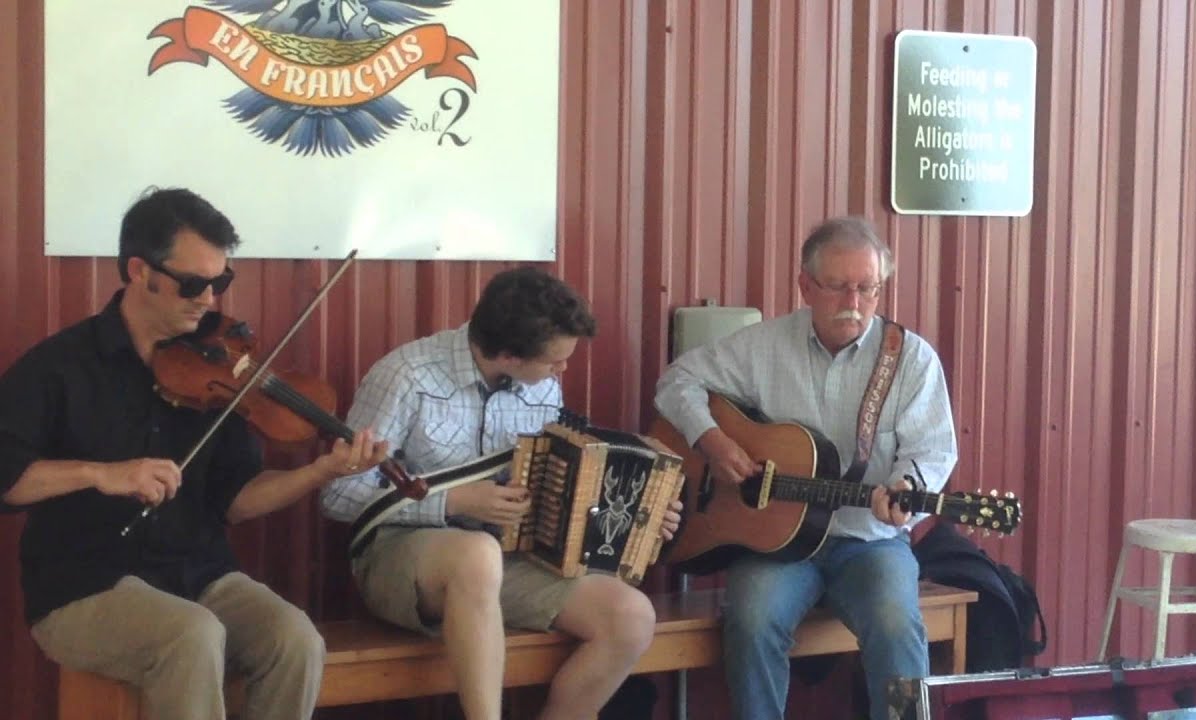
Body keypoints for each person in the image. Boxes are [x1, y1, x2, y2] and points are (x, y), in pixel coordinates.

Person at [0, 187, 388, 720]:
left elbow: (236, 500)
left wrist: (320, 471)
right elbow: (7, 477)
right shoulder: (59, 367)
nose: (209, 298)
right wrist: (99, 473)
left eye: (220, 281)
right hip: (82, 584)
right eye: (194, 283)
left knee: (295, 638)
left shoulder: (218, 369)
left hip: (197, 572)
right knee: (191, 635)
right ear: (139, 270)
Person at [320, 267, 682, 720]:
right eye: (554, 362)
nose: (562, 371)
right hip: (398, 557)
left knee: (630, 616)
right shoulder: (406, 375)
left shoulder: (541, 384)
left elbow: (554, 484)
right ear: (509, 355)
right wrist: (451, 501)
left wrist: (640, 516)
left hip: (506, 553)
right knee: (476, 554)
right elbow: (338, 495)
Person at [653, 215, 958, 720]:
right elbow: (676, 382)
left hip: (869, 542)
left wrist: (906, 488)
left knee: (895, 622)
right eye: (838, 287)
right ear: (805, 286)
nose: (854, 303)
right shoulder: (763, 346)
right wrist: (711, 441)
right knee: (751, 622)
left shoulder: (910, 360)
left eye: (868, 288)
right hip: (779, 546)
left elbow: (933, 451)